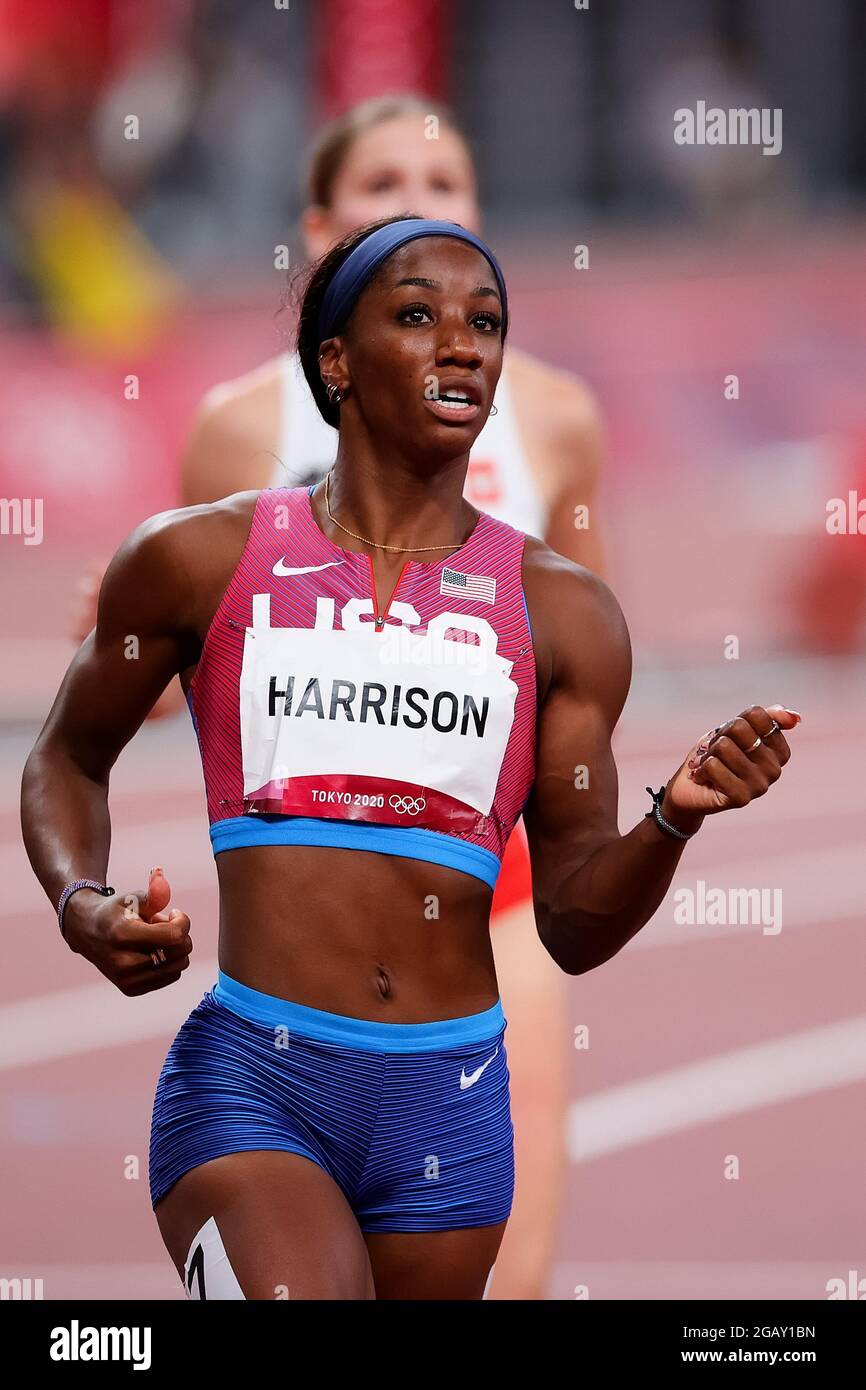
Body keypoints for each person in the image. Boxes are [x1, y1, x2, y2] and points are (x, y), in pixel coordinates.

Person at [24, 214, 799, 1300]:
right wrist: (82, 902)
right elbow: (66, 756)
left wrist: (674, 814)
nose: (462, 345)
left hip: (451, 1106)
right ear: (335, 364)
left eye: (485, 323)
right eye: (417, 316)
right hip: (256, 1082)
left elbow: (572, 925)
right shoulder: (198, 558)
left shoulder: (562, 614)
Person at [70, 93, 606, 1299]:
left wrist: (657, 813)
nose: (418, 200)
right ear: (319, 222)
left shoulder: (560, 415)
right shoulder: (239, 431)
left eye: (445, 179)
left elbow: (579, 679)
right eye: (380, 184)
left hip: (493, 893)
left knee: (511, 1280)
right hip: (288, 951)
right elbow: (175, 666)